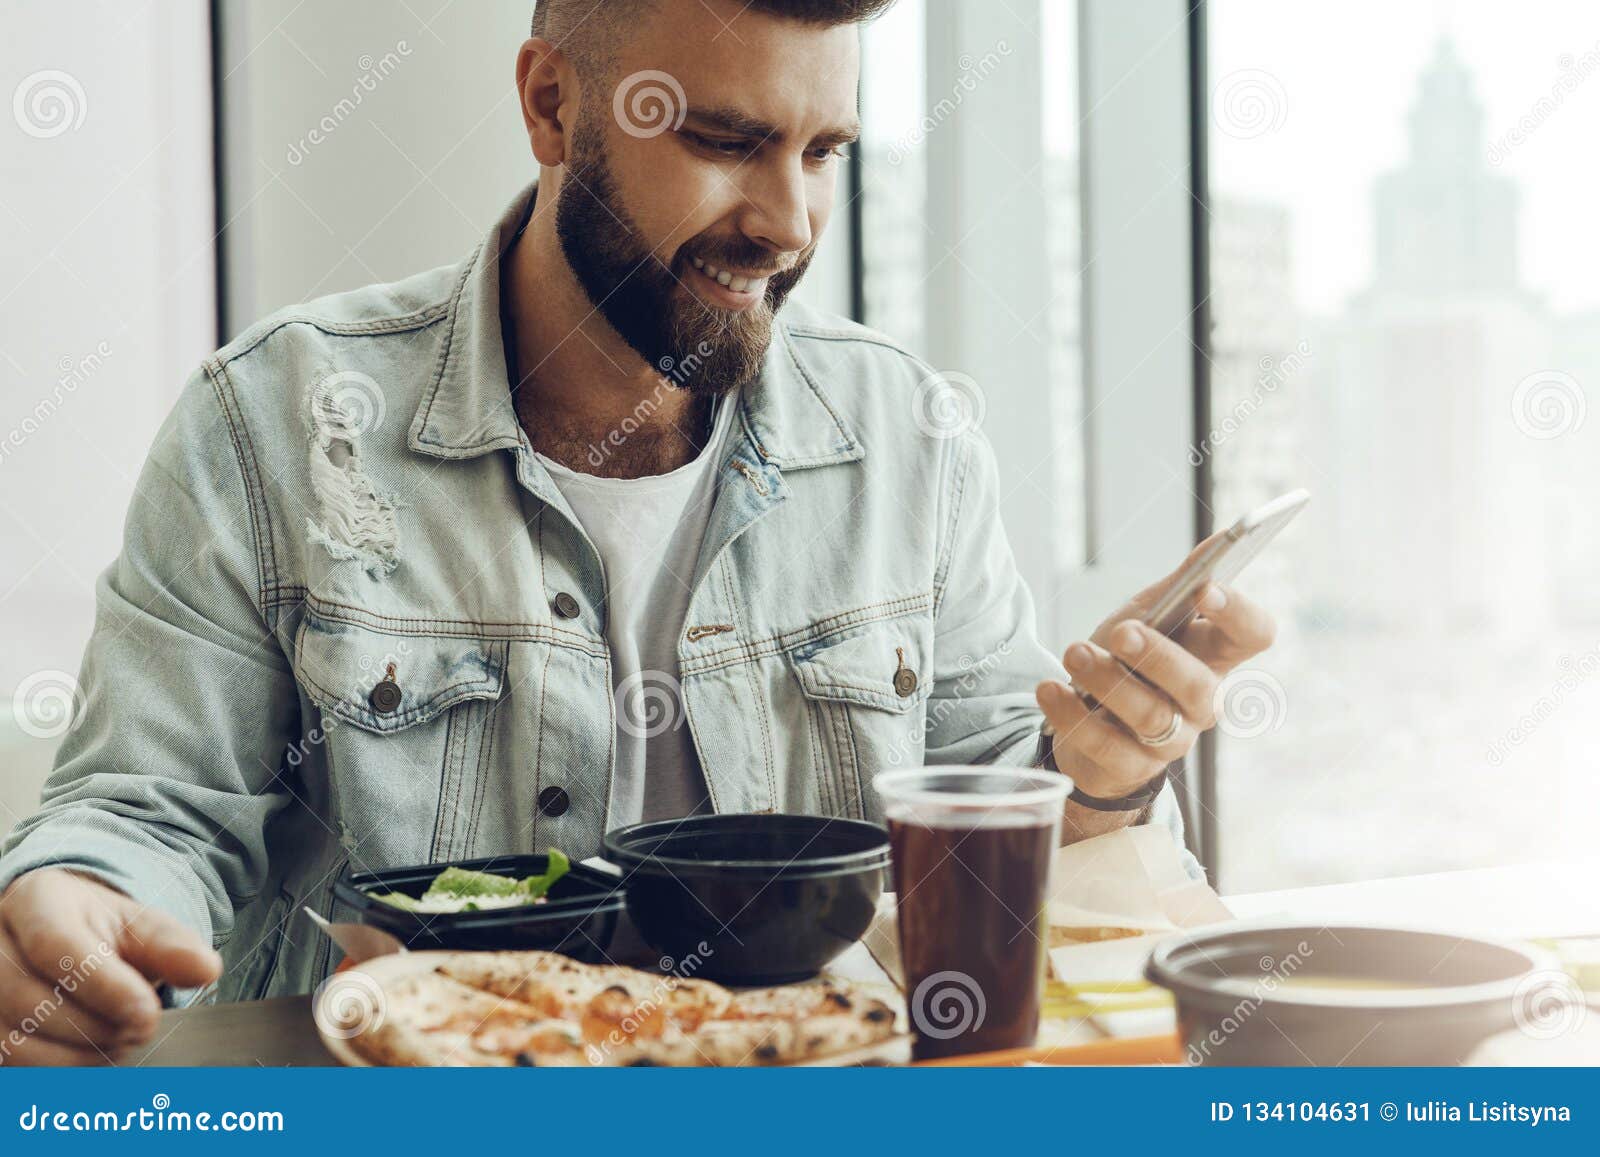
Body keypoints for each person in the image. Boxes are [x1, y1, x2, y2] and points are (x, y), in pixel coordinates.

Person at [0, 0, 1275, 1065]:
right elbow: (153, 809)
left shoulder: (911, 432)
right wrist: (83, 902)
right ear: (552, 105)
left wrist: (1102, 762)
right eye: (724, 140)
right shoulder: (273, 418)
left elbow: (980, 798)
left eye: (823, 150)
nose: (787, 222)